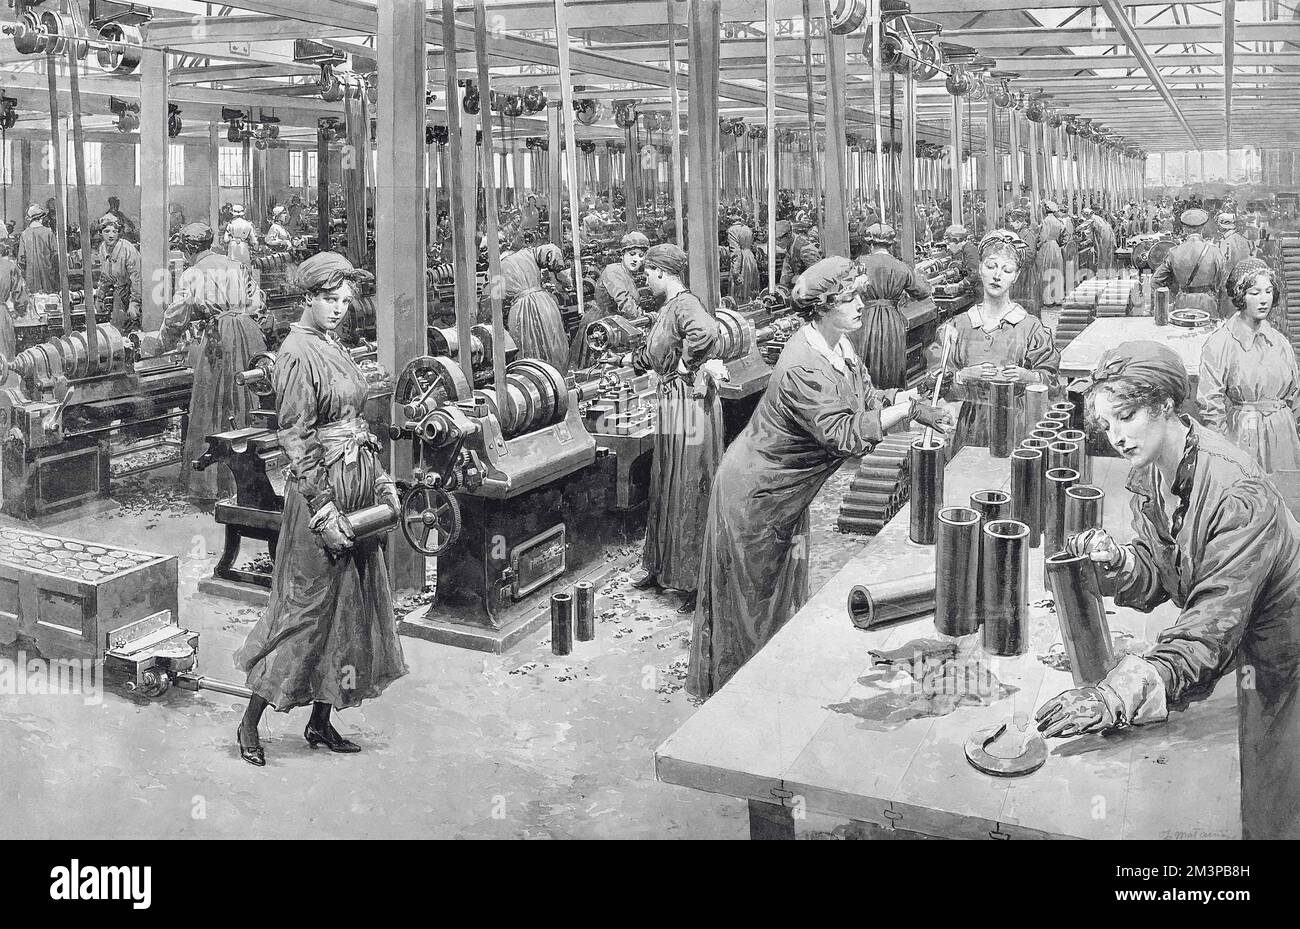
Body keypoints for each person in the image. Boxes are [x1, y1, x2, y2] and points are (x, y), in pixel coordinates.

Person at [1038, 340, 1300, 840]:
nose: (1115, 436)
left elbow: (1208, 631)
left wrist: (1115, 696)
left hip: (1282, 658)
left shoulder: (1239, 496)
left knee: (1273, 804)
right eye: (1106, 424)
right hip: (1239, 648)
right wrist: (1117, 563)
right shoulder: (1151, 475)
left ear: (1164, 404)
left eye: (1127, 416)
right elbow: (1164, 575)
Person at [688, 257, 952, 698]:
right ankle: (741, 698)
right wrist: (906, 411)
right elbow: (845, 433)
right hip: (756, 495)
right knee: (751, 604)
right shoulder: (803, 365)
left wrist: (908, 396)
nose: (860, 303)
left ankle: (774, 684)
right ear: (823, 307)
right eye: (849, 298)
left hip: (787, 496)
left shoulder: (840, 347)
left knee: (782, 596)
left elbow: (864, 400)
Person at [233, 252, 408, 767]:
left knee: (352, 607)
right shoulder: (295, 353)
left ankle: (321, 721)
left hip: (357, 481)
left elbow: (356, 421)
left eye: (345, 301)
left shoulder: (333, 345)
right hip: (321, 494)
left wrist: (379, 481)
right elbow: (295, 437)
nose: (339, 309)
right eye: (329, 301)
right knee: (303, 612)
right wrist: (324, 511)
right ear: (307, 298)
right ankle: (248, 724)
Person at [620, 244, 726, 615]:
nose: (645, 280)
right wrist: (632, 359)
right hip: (674, 403)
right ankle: (660, 566)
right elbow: (655, 350)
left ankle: (695, 580)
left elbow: (707, 332)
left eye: (647, 273)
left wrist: (683, 366)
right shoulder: (668, 308)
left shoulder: (683, 304)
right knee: (666, 481)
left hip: (690, 405)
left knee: (689, 484)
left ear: (662, 272)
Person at [159, 222, 269, 501]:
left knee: (213, 403)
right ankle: (249, 478)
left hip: (220, 338)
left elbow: (177, 315)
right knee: (245, 400)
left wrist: (162, 342)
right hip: (249, 333)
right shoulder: (235, 265)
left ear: (187, 249)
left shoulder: (193, 273)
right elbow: (258, 302)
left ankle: (212, 484)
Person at [930, 230, 1060, 452]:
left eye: (1007, 270)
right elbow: (934, 387)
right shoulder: (957, 326)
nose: (997, 275)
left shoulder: (1030, 327)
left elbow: (1053, 386)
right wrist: (964, 375)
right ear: (980, 269)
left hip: (1018, 428)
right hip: (970, 429)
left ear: (1016, 276)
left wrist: (1029, 377)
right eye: (991, 267)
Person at [1197, 259, 1300, 473]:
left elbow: (1295, 395)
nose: (1264, 300)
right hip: (1244, 436)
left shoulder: (1279, 342)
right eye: (1254, 293)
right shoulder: (1220, 343)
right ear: (1240, 296)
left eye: (1268, 292)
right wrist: (1224, 451)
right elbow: (1210, 404)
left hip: (1284, 438)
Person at [850, 222, 933, 390]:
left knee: (866, 362)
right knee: (891, 363)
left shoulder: (860, 263)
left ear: (870, 244)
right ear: (890, 244)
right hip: (892, 322)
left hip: (866, 318)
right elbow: (923, 292)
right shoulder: (900, 266)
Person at [568, 231, 648, 371]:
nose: (636, 259)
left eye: (641, 255)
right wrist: (645, 320)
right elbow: (625, 302)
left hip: (616, 325)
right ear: (622, 254)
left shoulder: (627, 274)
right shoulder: (613, 271)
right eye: (632, 254)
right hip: (601, 326)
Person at [1152, 208, 1225, 317]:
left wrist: (1172, 297)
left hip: (1182, 303)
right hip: (1208, 303)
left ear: (1184, 228)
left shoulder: (1174, 252)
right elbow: (1222, 281)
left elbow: (1155, 281)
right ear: (1203, 228)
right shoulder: (1214, 251)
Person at [94, 214, 142, 334]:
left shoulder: (127, 249)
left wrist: (135, 303)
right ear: (100, 233)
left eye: (114, 231)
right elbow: (105, 277)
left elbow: (137, 278)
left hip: (134, 292)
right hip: (119, 293)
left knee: (134, 328)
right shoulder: (102, 249)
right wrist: (100, 298)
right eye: (107, 231)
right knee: (116, 329)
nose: (111, 235)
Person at [1214, 213, 1253, 318]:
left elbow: (1222, 266)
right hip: (1244, 285)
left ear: (1221, 226)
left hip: (1228, 288)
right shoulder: (1245, 240)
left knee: (1228, 318)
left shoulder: (1225, 243)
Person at [16, 203, 59, 294]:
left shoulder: (24, 234)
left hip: (31, 280)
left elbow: (21, 260)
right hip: (48, 278)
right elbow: (55, 255)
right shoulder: (48, 233)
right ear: (41, 218)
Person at [1006, 208, 1042, 318]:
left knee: (1028, 298)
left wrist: (1016, 259)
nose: (1011, 224)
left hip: (1027, 272)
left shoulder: (1027, 234)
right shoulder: (1020, 233)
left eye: (1012, 222)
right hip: (1022, 270)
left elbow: (1030, 254)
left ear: (1018, 221)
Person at [1036, 200, 1066, 311]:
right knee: (1056, 272)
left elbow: (1043, 236)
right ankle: (1058, 298)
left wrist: (1038, 244)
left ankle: (1048, 300)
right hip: (1056, 247)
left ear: (1047, 209)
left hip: (1047, 247)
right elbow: (1061, 235)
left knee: (1047, 272)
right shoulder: (1058, 221)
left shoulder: (1046, 221)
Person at [0, 238, 24, 359]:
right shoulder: (10, 267)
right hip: (1, 318)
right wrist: (19, 311)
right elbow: (20, 297)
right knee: (5, 362)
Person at [726, 221, 760, 304]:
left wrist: (736, 273)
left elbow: (736, 252)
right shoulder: (747, 228)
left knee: (739, 293)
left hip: (742, 260)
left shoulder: (732, 230)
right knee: (750, 290)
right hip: (751, 258)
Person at [779, 222, 821, 289]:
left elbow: (817, 273)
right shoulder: (788, 247)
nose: (777, 243)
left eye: (779, 239)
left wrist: (799, 278)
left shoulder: (804, 248)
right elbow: (786, 272)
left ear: (789, 235)